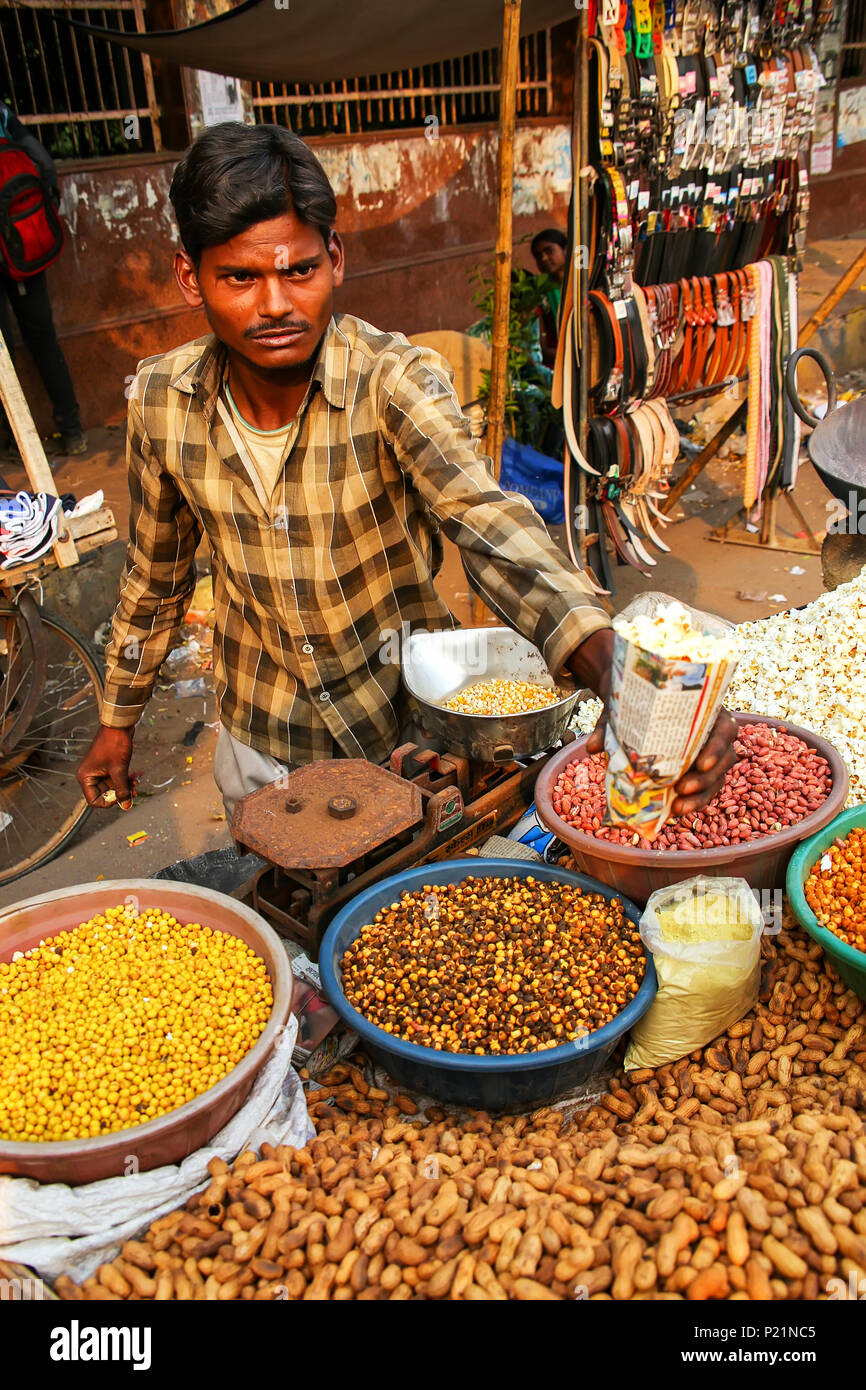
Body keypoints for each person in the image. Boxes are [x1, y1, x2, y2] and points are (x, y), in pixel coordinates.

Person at [77, 124, 736, 822]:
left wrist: (619, 676)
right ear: (191, 277)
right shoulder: (160, 400)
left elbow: (489, 524)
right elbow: (156, 575)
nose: (274, 305)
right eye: (241, 278)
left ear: (334, 259)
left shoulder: (393, 381)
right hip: (263, 742)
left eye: (298, 271)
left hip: (406, 739)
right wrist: (117, 721)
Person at [0, 103, 86, 465]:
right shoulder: (3, 116)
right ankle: (72, 431)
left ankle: (14, 444)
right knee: (43, 338)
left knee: (4, 352)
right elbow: (43, 164)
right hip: (25, 245)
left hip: (10, 249)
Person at [531, 227, 567, 368]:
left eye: (549, 251)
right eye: (538, 256)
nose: (544, 258)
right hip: (558, 361)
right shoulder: (540, 291)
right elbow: (541, 347)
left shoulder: (582, 283)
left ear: (565, 250)